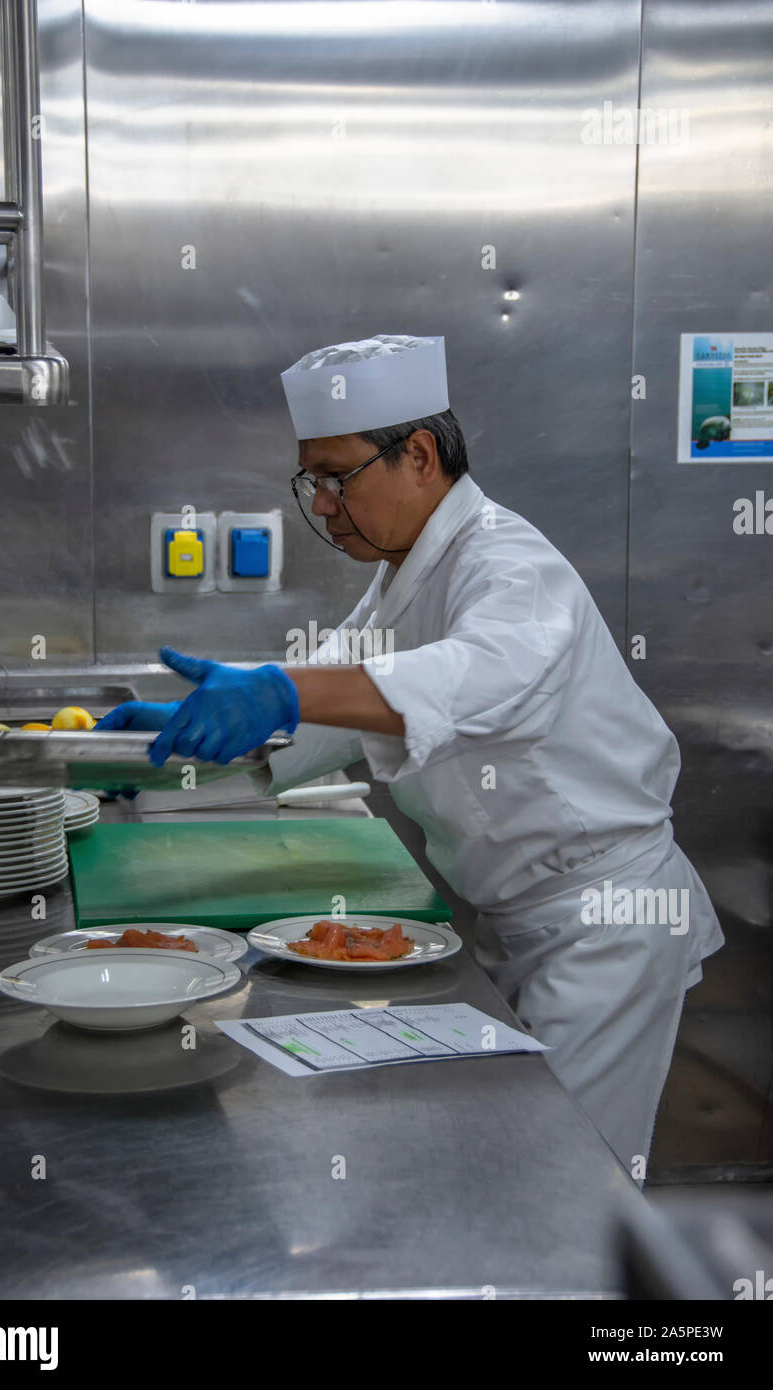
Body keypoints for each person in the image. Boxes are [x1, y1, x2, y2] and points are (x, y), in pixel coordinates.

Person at [96, 333, 724, 1175]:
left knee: (570, 1186)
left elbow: (470, 678)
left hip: (603, 923)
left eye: (335, 477)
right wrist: (171, 743)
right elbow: (343, 702)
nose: (320, 505)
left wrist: (278, 690)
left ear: (418, 455)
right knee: (521, 1169)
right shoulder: (407, 575)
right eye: (311, 480)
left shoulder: (508, 563)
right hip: (520, 915)